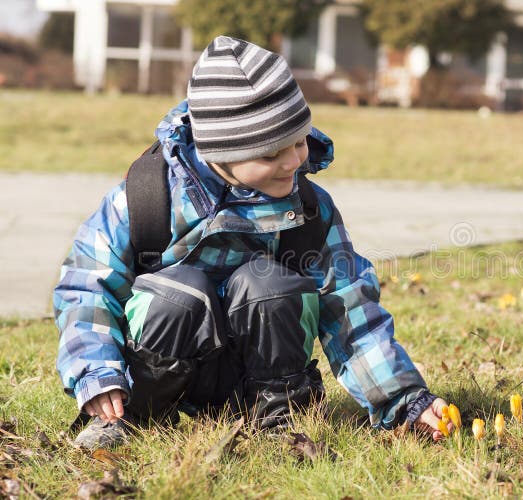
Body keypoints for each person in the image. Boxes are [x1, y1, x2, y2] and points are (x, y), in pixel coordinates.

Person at [54, 35, 452, 450]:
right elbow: (87, 286)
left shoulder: (308, 210)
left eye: (299, 141)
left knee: (268, 284)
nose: (294, 161)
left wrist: (405, 401)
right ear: (219, 153)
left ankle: (278, 417)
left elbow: (350, 307)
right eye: (270, 154)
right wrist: (97, 374)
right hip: (159, 375)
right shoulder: (145, 199)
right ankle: (131, 417)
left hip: (265, 375)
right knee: (179, 292)